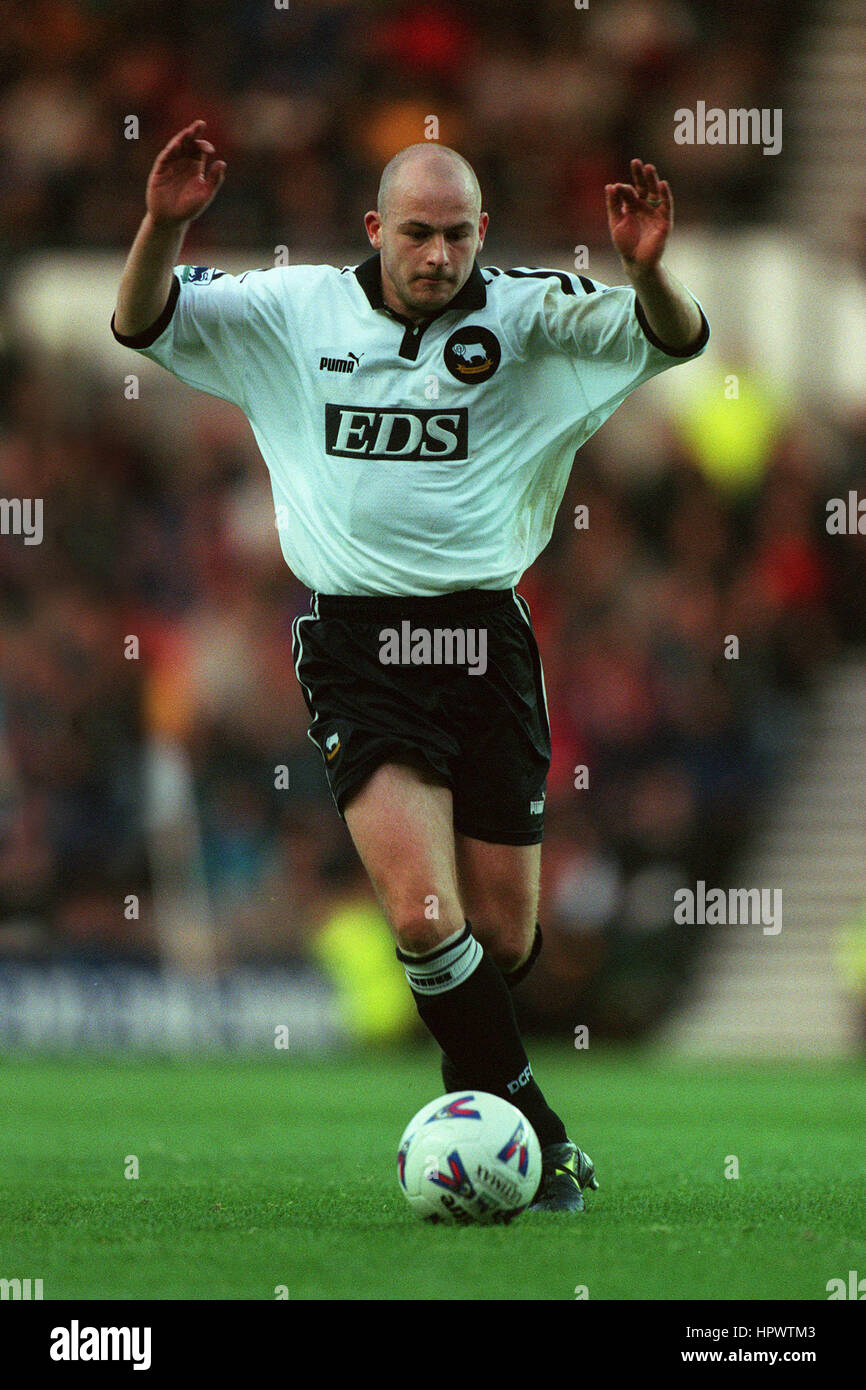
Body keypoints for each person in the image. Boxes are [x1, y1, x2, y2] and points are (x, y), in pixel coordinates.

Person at [113, 121, 709, 1213]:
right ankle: (534, 1133)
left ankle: (475, 1085)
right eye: (416, 235)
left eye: (455, 237)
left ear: (483, 233)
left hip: (486, 642)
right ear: (373, 229)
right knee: (425, 918)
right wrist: (163, 225)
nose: (436, 257)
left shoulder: (528, 315)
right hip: (359, 648)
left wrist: (647, 272)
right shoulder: (296, 311)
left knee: (503, 936)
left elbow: (669, 341)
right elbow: (142, 318)